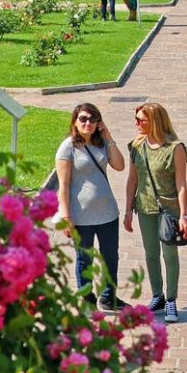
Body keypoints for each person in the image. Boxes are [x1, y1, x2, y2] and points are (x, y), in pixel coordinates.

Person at [123, 102, 187, 324]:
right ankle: (157, 296)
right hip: (144, 207)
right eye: (137, 119)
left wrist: (184, 215)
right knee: (150, 253)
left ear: (155, 122)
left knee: (170, 255)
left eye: (141, 120)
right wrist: (127, 211)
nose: (137, 123)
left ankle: (171, 298)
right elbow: (132, 179)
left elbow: (181, 183)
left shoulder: (175, 148)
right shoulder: (136, 145)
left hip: (169, 209)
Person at [54, 103, 125, 311]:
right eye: (83, 119)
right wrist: (66, 216)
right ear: (75, 121)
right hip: (81, 216)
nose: (87, 123)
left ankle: (108, 297)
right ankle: (87, 299)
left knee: (110, 256)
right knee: (85, 259)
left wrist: (109, 137)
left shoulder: (102, 143)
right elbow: (64, 185)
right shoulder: (67, 148)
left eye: (92, 119)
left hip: (107, 213)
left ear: (98, 123)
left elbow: (120, 166)